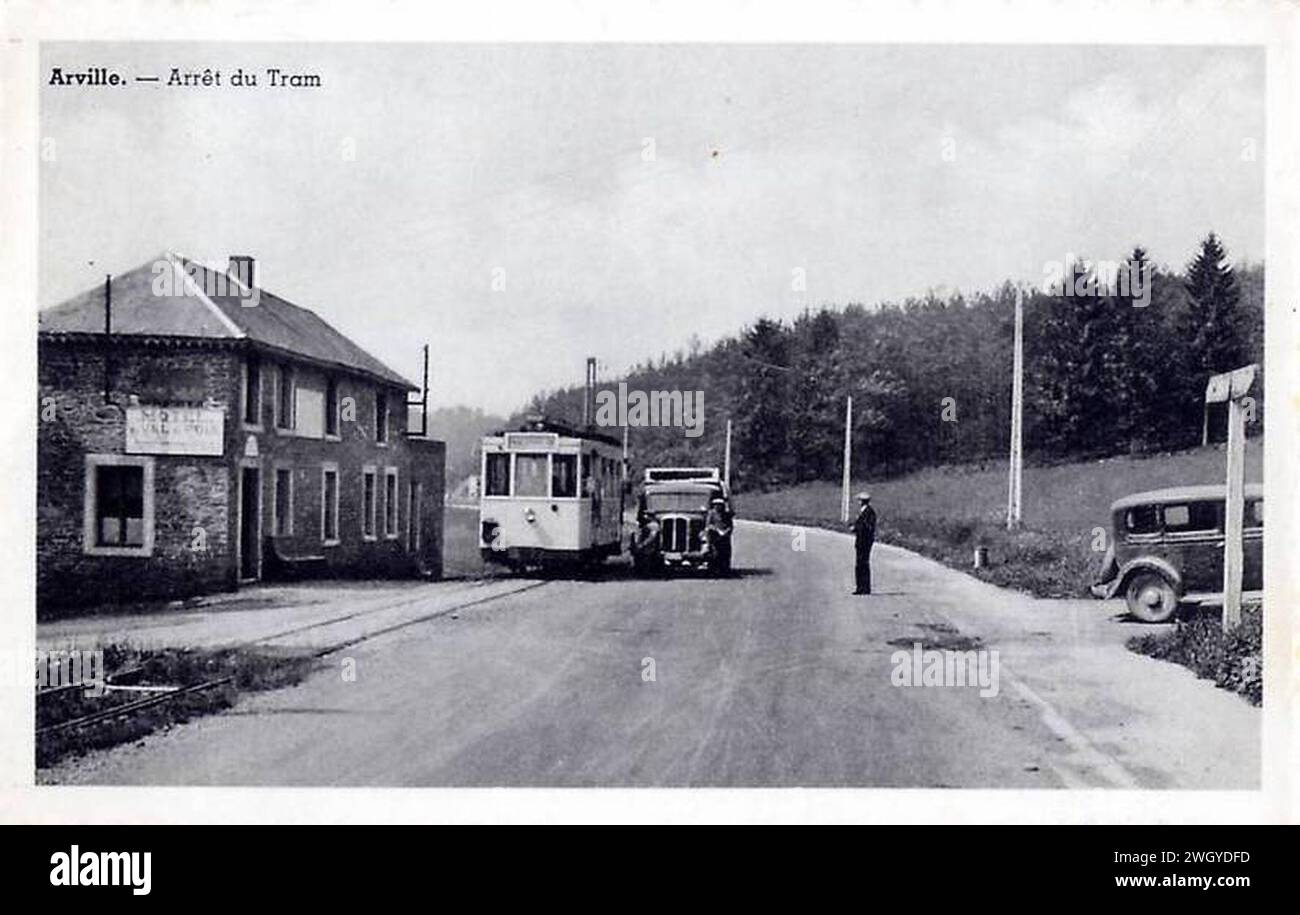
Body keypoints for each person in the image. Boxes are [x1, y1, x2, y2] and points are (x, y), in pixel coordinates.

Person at [850, 492, 876, 595]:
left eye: (859, 500)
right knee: (861, 563)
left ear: (862, 501)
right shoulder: (865, 511)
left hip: (864, 541)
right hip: (862, 540)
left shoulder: (869, 512)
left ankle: (863, 587)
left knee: (862, 563)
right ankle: (861, 587)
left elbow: (867, 527)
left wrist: (856, 528)